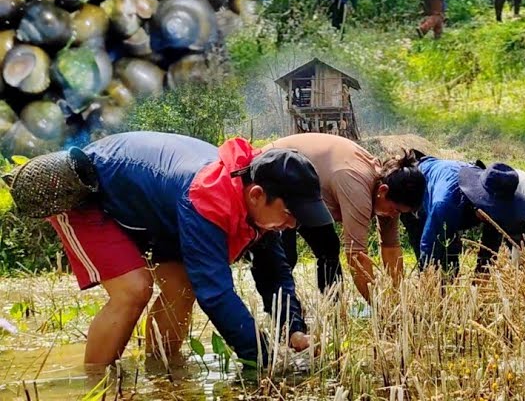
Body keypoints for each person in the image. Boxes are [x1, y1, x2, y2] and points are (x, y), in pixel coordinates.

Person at [38, 132, 331, 372]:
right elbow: (215, 293)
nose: (292, 224)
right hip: (89, 190)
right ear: (256, 195)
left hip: (157, 212)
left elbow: (274, 273)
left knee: (181, 288)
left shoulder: (259, 194)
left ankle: (161, 370)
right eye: (291, 213)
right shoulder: (208, 198)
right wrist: (263, 359)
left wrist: (293, 328)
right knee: (134, 290)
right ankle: (95, 382)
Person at [260, 134, 425, 304]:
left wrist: (397, 299)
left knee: (329, 249)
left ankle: (335, 309)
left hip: (307, 190)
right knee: (285, 256)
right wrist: (378, 306)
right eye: (395, 210)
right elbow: (356, 257)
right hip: (274, 172)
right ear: (383, 191)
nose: (393, 215)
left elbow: (391, 248)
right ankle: (282, 317)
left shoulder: (387, 193)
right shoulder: (357, 187)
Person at [412, 156, 525, 275]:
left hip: (453, 200)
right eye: (491, 210)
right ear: (479, 201)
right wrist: (428, 280)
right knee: (441, 265)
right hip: (416, 189)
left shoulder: (497, 196)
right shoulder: (446, 203)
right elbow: (429, 245)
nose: (494, 215)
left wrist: (480, 281)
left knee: (451, 267)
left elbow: (490, 247)